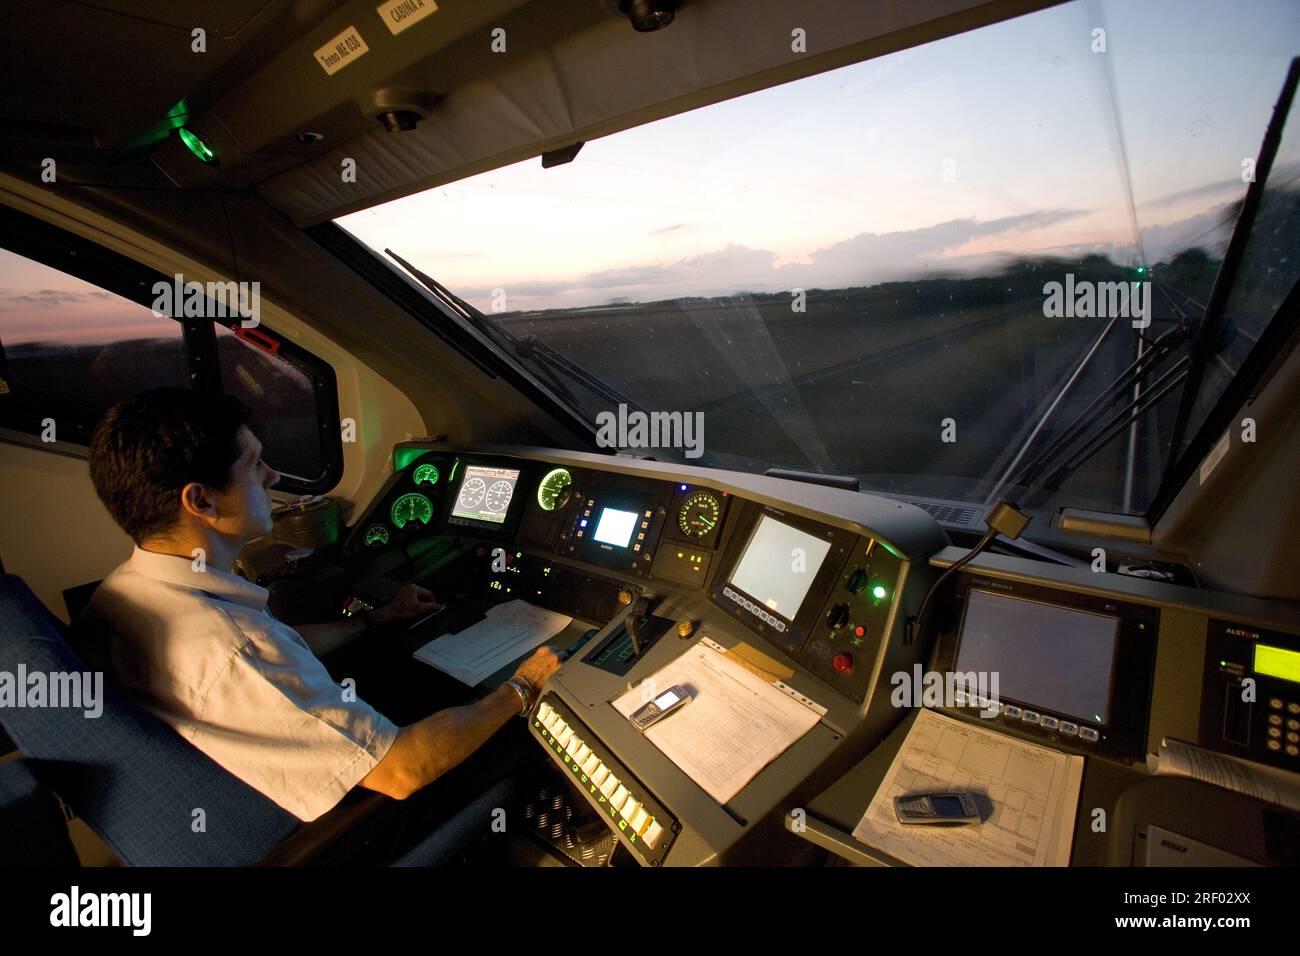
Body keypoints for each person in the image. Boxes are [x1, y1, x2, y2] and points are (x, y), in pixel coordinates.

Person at [78, 387, 559, 841]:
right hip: (326, 837)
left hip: (201, 803)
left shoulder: (126, 589)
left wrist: (374, 619)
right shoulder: (232, 648)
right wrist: (521, 687)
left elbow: (281, 643)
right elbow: (404, 771)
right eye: (254, 465)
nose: (273, 476)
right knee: (526, 743)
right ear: (200, 500)